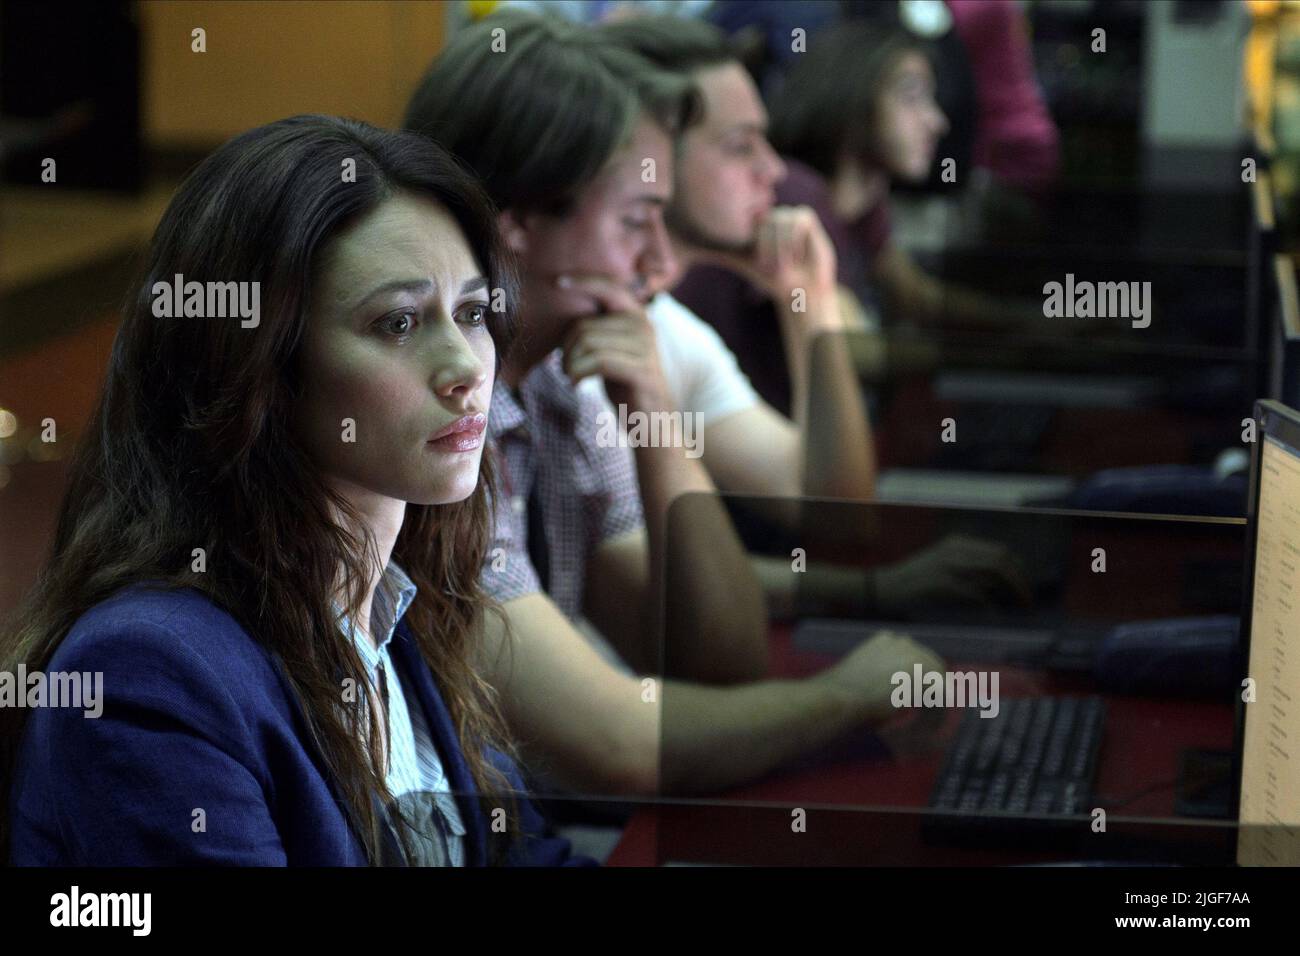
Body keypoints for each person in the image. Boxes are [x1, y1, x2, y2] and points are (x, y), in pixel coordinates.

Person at [3, 115, 585, 866]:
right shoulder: (145, 674)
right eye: (398, 321)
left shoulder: (389, 608)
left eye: (472, 312)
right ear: (259, 369)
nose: (467, 367)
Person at [404, 10, 944, 798]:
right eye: (634, 222)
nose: (659, 263)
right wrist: (849, 695)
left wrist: (654, 414)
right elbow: (621, 742)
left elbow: (720, 664)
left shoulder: (562, 385)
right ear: (514, 222)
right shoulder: (439, 419)